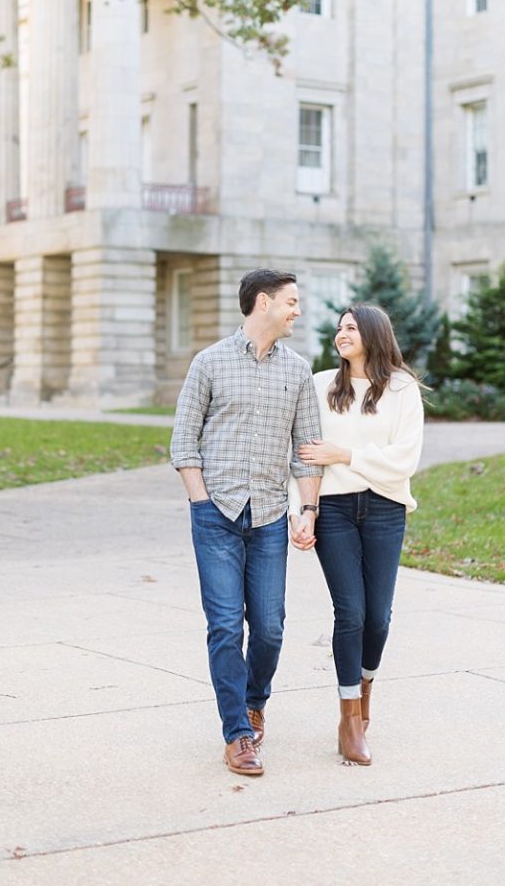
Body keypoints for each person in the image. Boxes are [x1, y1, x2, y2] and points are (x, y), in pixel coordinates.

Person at [171, 268, 323, 777]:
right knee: (223, 626)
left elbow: (306, 451)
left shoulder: (299, 370)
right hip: (216, 515)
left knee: (271, 628)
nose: (297, 310)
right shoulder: (209, 362)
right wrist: (200, 501)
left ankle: (256, 700)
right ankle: (237, 732)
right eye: (291, 301)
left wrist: (309, 509)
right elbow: (183, 440)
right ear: (263, 303)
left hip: (270, 519)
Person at [292, 303, 425, 767]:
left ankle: (365, 688)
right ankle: (350, 717)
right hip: (334, 511)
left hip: (387, 509)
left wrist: (344, 454)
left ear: (372, 333)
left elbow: (404, 460)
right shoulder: (321, 386)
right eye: (339, 327)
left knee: (379, 618)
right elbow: (306, 455)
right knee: (350, 612)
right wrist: (302, 512)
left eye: (351, 327)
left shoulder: (403, 389)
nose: (341, 333)